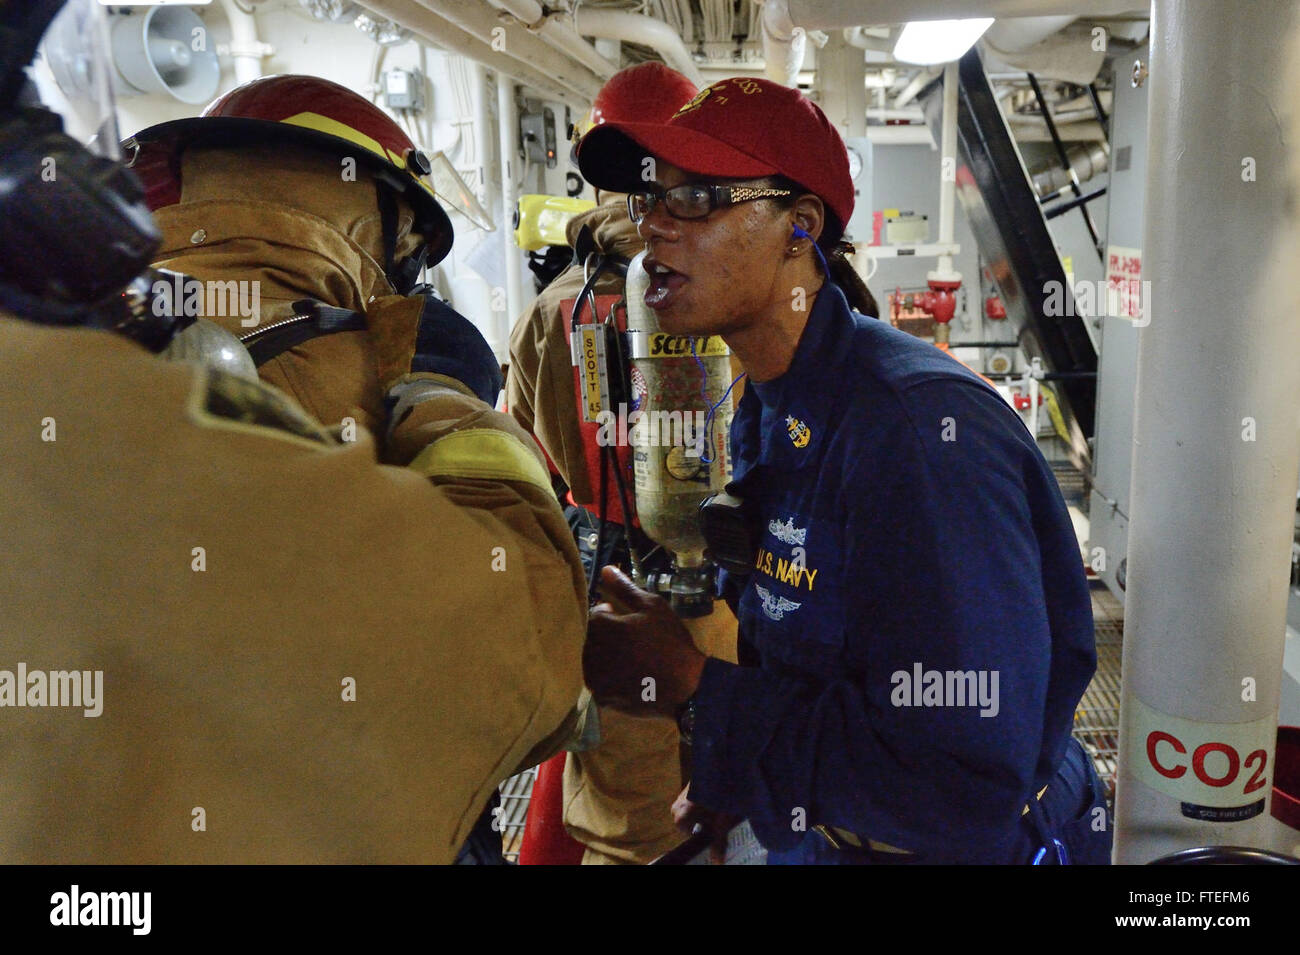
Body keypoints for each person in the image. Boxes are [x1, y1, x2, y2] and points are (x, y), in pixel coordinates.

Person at [0, 0, 586, 863]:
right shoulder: (399, 368)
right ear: (390, 223)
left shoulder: (92, 344)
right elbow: (524, 652)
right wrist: (442, 400)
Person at [576, 76, 1110, 864]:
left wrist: (695, 686)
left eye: (693, 200)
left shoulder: (918, 436)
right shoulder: (767, 402)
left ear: (799, 226)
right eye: (647, 201)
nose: (652, 226)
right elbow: (806, 658)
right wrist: (743, 776)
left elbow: (960, 781)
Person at [508, 62, 742, 865]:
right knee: (743, 775)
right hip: (738, 578)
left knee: (630, 814)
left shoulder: (551, 310)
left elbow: (524, 460)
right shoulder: (729, 285)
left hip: (608, 578)